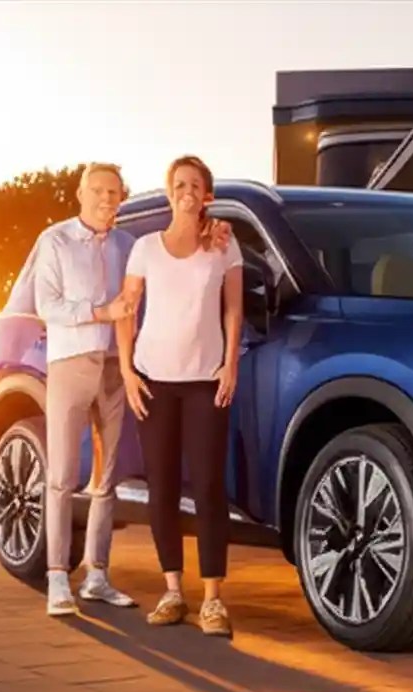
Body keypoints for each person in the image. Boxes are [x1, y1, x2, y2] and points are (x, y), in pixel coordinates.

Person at [114, 154, 243, 636]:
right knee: (162, 488)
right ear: (170, 192)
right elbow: (127, 310)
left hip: (206, 380)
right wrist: (127, 371)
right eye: (179, 183)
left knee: (209, 486)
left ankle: (213, 599)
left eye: (196, 184)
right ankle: (173, 591)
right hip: (154, 381)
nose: (187, 190)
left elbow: (233, 310)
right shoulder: (145, 248)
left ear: (206, 195)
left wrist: (231, 363)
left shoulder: (224, 245)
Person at [31, 162, 139, 617]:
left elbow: (134, 306)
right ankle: (58, 576)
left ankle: (97, 574)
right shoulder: (54, 240)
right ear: (80, 192)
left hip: (115, 367)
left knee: (107, 477)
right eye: (98, 190)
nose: (106, 199)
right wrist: (101, 312)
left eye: (114, 192)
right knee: (60, 476)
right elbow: (46, 305)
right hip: (70, 363)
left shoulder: (129, 246)